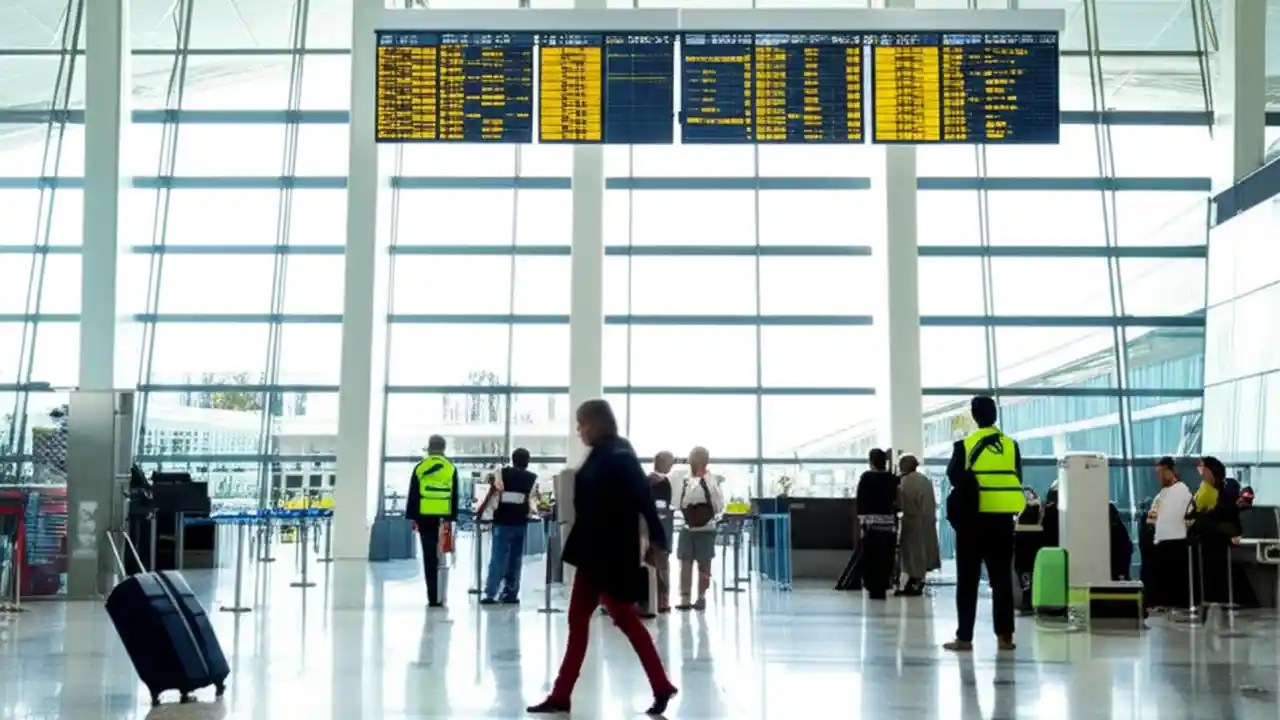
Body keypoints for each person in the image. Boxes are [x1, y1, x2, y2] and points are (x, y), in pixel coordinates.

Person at [527, 399, 678, 716]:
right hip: (601, 552)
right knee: (614, 620)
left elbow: (642, 497)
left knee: (591, 621)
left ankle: (563, 695)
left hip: (604, 555)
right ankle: (658, 685)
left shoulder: (617, 454)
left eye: (581, 424)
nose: (579, 431)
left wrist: (657, 538)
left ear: (595, 424)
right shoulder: (609, 452)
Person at [944, 396, 1025, 653]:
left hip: (972, 520)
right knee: (1001, 579)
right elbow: (1016, 476)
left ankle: (965, 638)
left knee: (967, 580)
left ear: (975, 416)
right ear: (995, 416)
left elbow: (954, 476)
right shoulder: (1011, 446)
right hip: (1002, 519)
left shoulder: (965, 445)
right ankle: (1005, 637)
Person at [405, 434, 460, 608]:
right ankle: (442, 593)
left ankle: (432, 596)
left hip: (424, 515)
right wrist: (451, 517)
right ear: (443, 448)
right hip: (443, 516)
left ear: (429, 447)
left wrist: (412, 517)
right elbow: (455, 494)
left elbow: (413, 493)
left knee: (429, 555)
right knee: (442, 555)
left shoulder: (421, 467)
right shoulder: (450, 468)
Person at [480, 448, 537, 605]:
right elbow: (531, 502)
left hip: (502, 522)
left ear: (513, 459)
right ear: (527, 461)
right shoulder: (531, 478)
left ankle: (490, 593)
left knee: (498, 558)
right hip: (520, 523)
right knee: (515, 559)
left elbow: (495, 494)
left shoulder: (502, 473)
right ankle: (511, 593)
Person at [675, 446, 725, 611]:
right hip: (703, 528)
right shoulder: (707, 480)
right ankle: (697, 598)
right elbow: (718, 505)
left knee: (689, 564)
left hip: (692, 527)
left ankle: (688, 598)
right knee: (701, 565)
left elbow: (678, 503)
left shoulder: (692, 480)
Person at [1148, 457, 1193, 612]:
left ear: (1169, 471)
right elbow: (1152, 517)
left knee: (1174, 581)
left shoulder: (1182, 490)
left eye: (1160, 473)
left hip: (1176, 540)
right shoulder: (1161, 494)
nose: (1158, 477)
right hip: (1161, 541)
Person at [855, 448, 900, 600]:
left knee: (871, 556)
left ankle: (873, 586)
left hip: (871, 524)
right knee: (886, 556)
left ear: (871, 461)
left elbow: (860, 501)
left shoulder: (866, 477)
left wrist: (861, 521)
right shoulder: (892, 478)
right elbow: (896, 501)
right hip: (888, 523)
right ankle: (884, 583)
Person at [896, 454, 940, 597]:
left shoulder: (904, 482)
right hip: (926, 521)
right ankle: (918, 580)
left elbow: (900, 504)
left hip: (911, 522)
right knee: (922, 553)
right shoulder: (924, 481)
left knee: (911, 555)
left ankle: (913, 581)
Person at [639, 451, 676, 616]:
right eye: (670, 462)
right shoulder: (660, 482)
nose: (672, 465)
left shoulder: (648, 481)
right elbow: (662, 505)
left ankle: (654, 599)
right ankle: (662, 600)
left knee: (654, 562)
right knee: (661, 563)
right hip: (660, 527)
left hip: (650, 528)